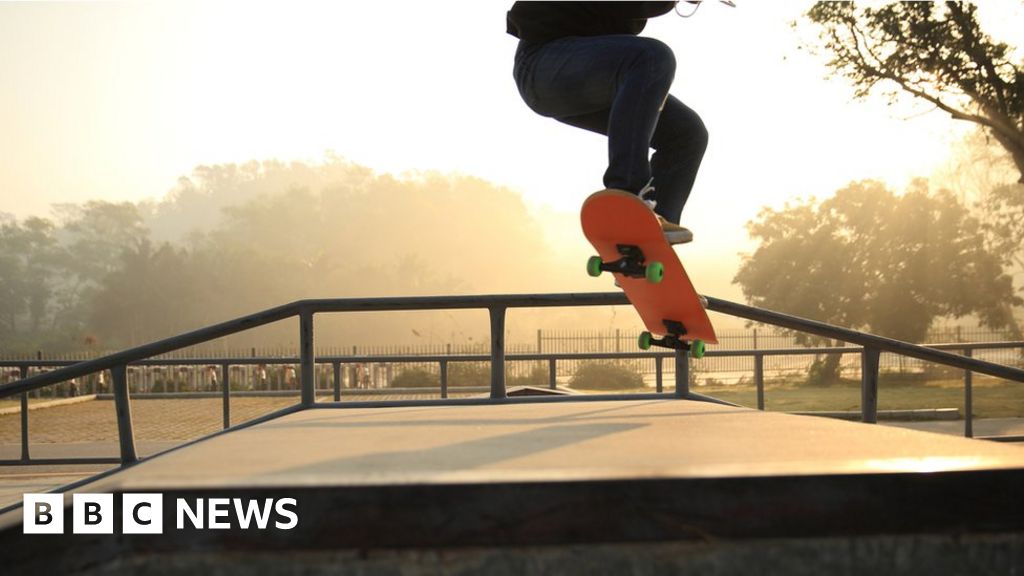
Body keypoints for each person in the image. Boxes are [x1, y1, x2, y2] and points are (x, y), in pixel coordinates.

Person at [507, 1, 708, 244]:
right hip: (544, 64)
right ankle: (625, 199)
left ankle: (646, 242)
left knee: (687, 133)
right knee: (653, 57)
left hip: (592, 76)